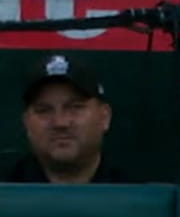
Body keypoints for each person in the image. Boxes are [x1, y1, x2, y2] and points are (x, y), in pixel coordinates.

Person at [8, 54, 128, 185]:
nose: (60, 123)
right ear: (26, 122)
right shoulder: (5, 196)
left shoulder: (137, 197)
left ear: (104, 117)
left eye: (75, 107)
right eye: (44, 110)